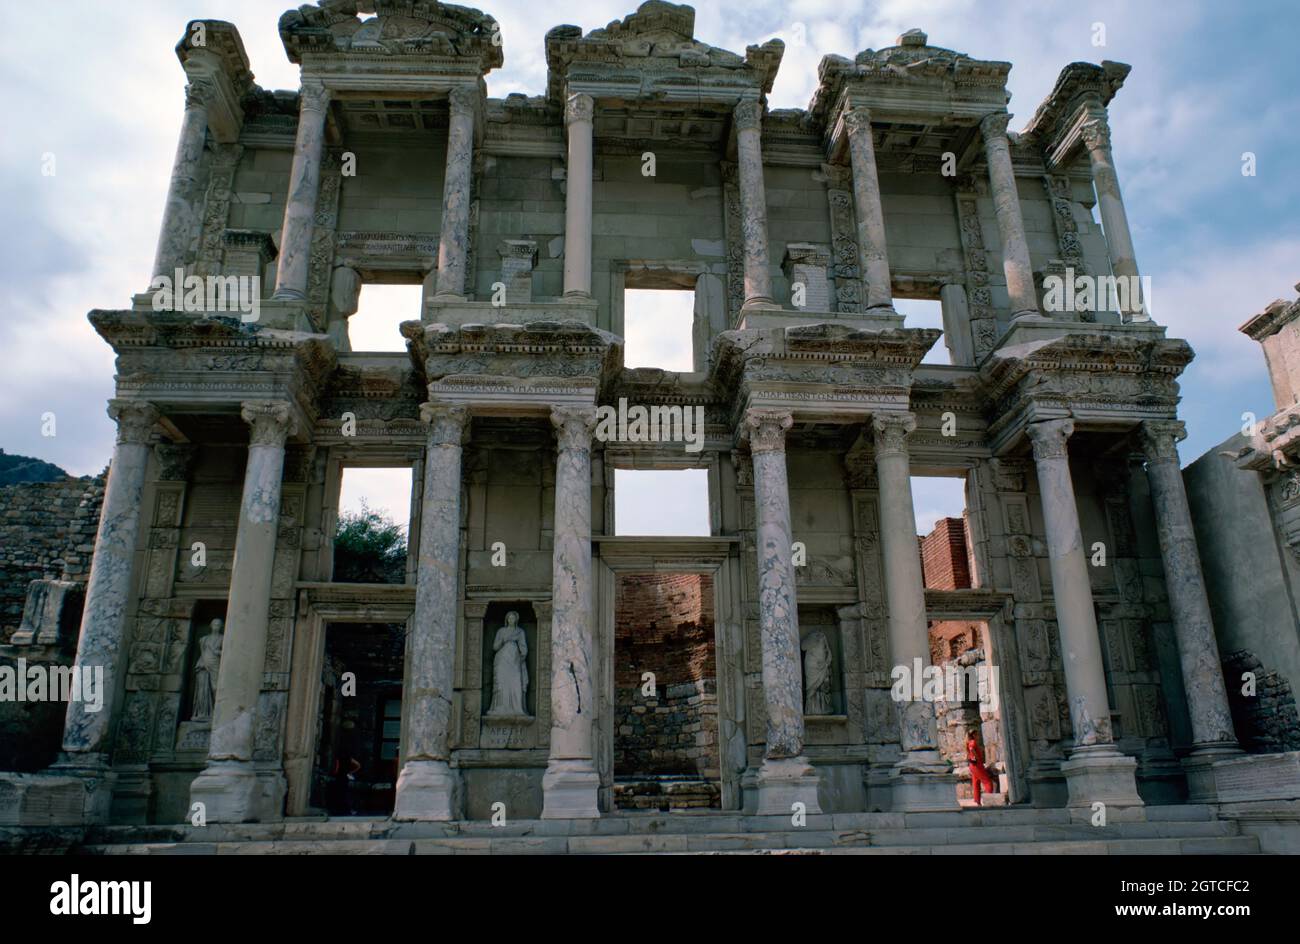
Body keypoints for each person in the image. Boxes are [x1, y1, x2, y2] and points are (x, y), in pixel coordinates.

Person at [966, 729, 996, 806]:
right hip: (977, 765)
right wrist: (976, 757)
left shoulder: (968, 742)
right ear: (974, 735)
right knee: (987, 782)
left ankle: (977, 801)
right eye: (977, 734)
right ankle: (988, 800)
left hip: (972, 766)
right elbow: (972, 749)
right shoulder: (973, 742)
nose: (978, 736)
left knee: (976, 782)